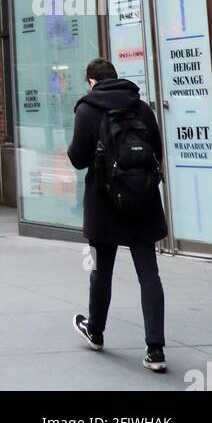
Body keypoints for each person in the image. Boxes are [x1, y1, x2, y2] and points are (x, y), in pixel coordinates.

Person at [68, 58, 168, 373]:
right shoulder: (142, 107)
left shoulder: (87, 109)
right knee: (149, 275)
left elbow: (77, 158)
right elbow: (157, 151)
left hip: (104, 204)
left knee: (101, 272)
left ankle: (95, 331)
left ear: (92, 81)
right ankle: (155, 350)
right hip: (142, 201)